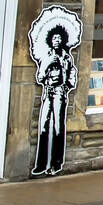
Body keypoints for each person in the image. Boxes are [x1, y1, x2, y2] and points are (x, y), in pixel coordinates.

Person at [32, 26, 78, 176]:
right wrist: (46, 64)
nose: (56, 41)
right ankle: (41, 164)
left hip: (59, 91)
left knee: (58, 126)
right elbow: (39, 77)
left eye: (59, 38)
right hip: (48, 91)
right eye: (54, 38)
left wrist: (67, 86)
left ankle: (56, 163)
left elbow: (72, 74)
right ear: (50, 41)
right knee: (44, 126)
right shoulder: (47, 55)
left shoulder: (66, 57)